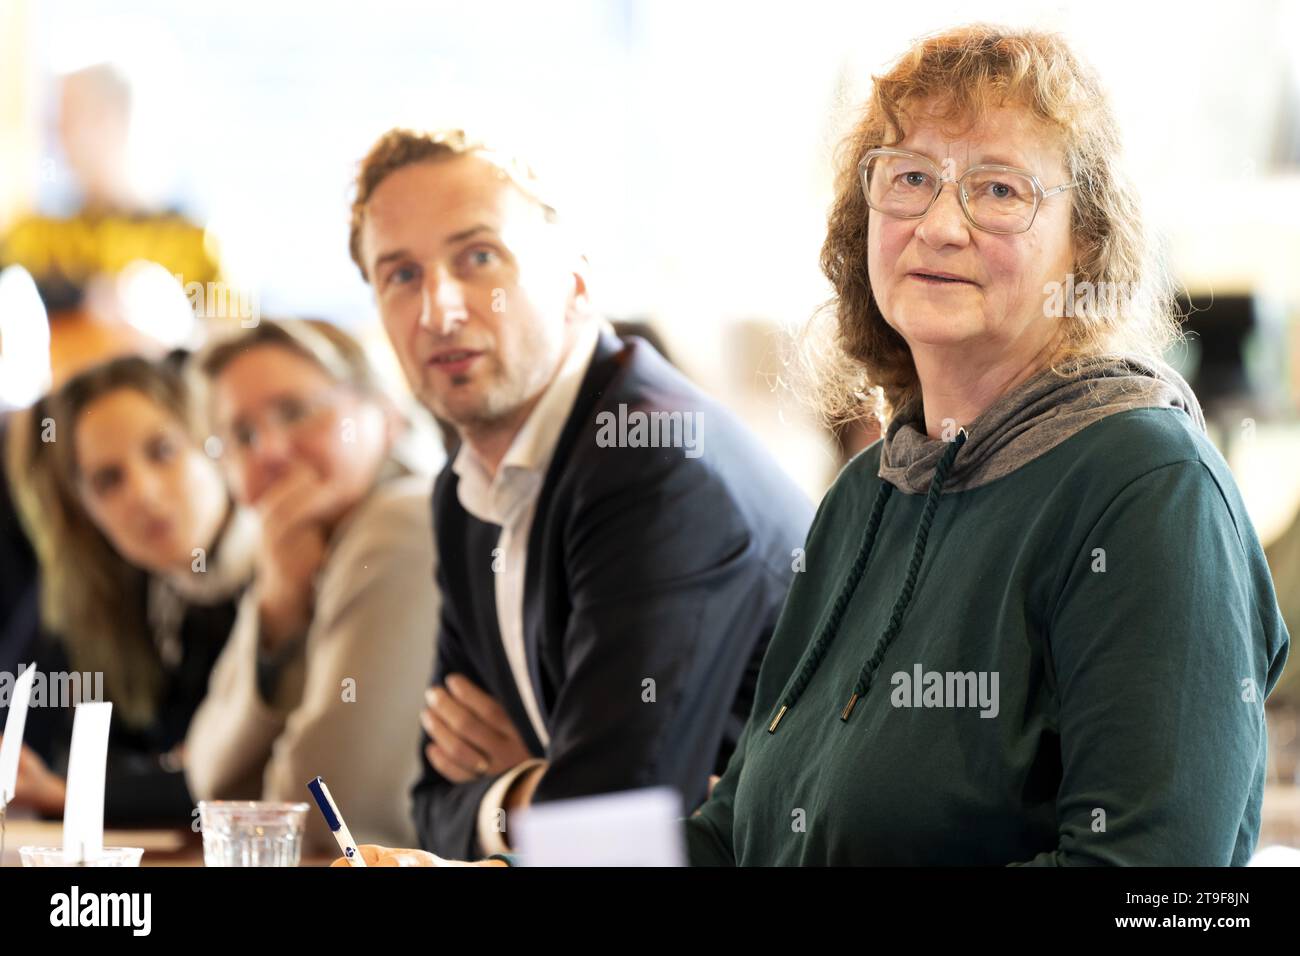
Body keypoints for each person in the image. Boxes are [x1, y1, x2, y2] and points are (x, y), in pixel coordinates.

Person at [341, 25, 1289, 868]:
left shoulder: (1146, 488)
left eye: (998, 188)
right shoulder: (871, 491)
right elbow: (735, 835)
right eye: (909, 178)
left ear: (1084, 243)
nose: (940, 223)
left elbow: (1161, 888)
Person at [344, 127, 814, 860]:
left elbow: (611, 827)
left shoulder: (653, 459)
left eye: (478, 258)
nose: (438, 309)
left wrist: (527, 785)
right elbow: (434, 800)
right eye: (400, 275)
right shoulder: (462, 492)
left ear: (577, 281)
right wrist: (540, 790)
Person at [183, 319, 438, 853]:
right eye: (242, 436)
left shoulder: (403, 520)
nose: (270, 451)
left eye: (296, 412)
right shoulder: (298, 550)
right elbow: (206, 780)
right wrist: (278, 609)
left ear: (387, 417)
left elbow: (334, 818)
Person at [2, 354, 251, 825]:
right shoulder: (129, 598)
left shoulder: (282, 580)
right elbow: (60, 752)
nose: (142, 494)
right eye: (107, 480)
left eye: (162, 451)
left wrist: (71, 795)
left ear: (214, 444)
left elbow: (245, 784)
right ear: (86, 512)